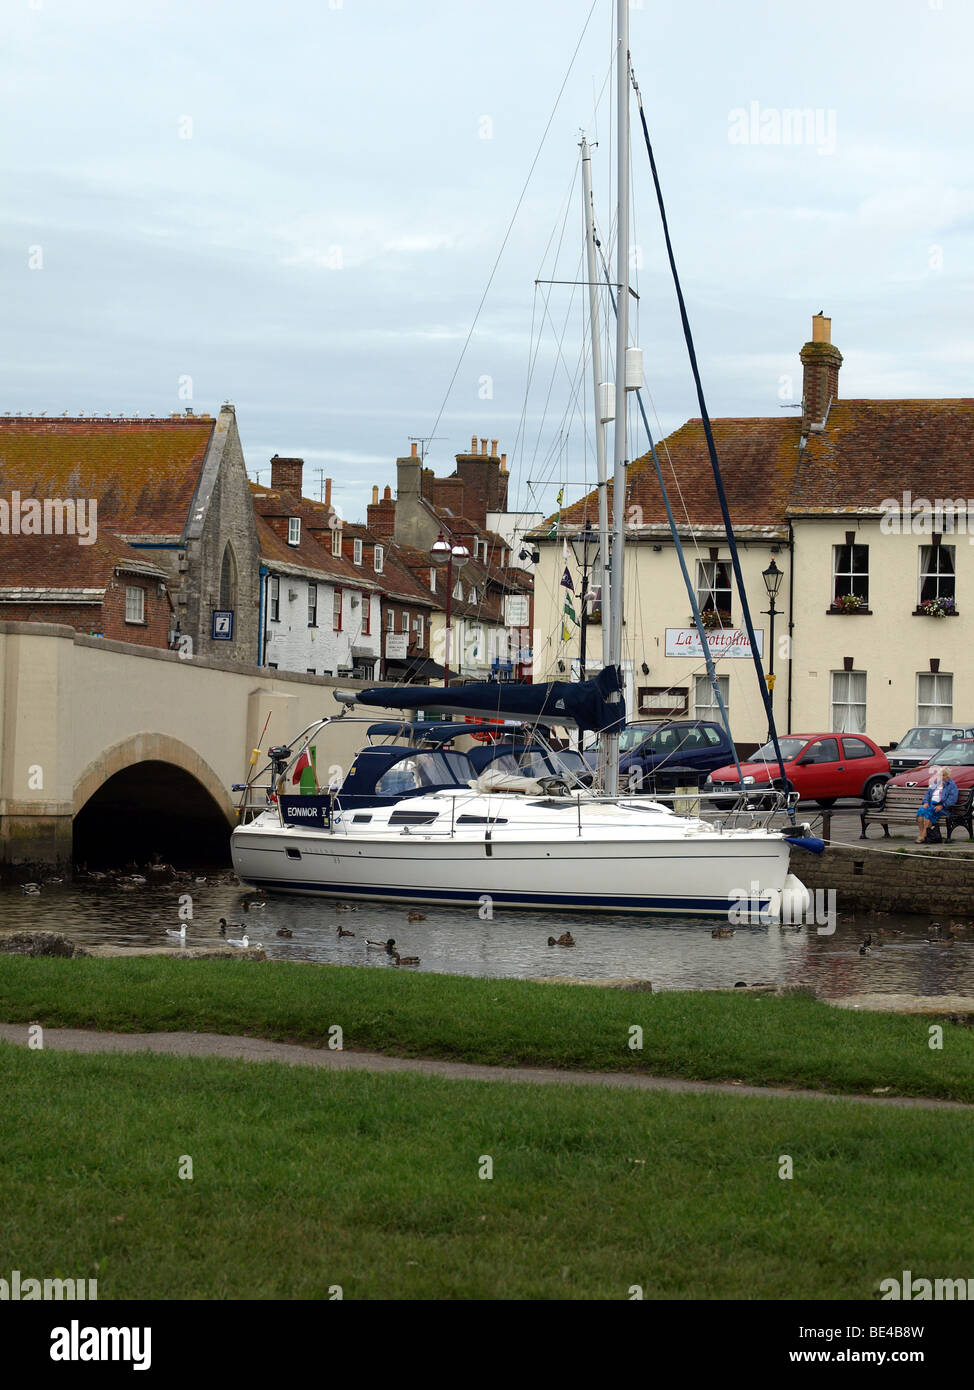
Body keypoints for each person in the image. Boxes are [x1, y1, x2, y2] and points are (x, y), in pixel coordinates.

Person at [916, 766, 959, 843]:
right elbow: (928, 794)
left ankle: (923, 835)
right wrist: (925, 802)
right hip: (931, 805)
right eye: (940, 775)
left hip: (944, 808)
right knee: (920, 811)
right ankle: (923, 833)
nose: (941, 777)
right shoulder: (936, 783)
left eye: (943, 775)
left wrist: (942, 805)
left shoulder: (951, 785)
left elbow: (952, 800)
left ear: (948, 776)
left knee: (929, 812)